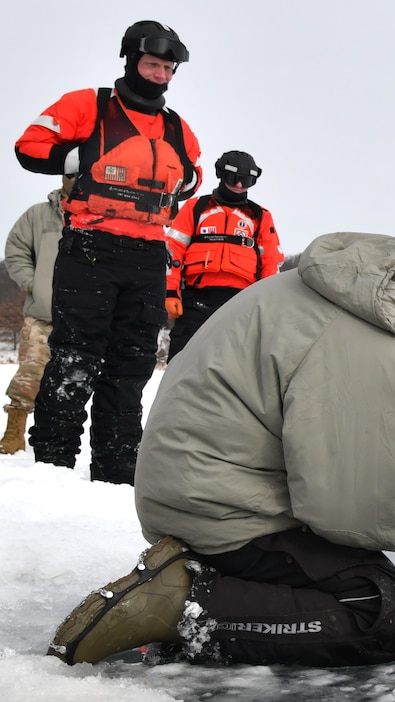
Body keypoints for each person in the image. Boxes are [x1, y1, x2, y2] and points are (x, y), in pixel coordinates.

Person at [46, 230, 395, 667]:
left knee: (365, 580)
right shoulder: (377, 345)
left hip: (203, 486)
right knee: (381, 610)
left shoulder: (350, 301)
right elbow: (353, 509)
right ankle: (183, 604)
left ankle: (192, 582)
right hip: (219, 505)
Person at [13, 21, 202, 484]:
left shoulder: (176, 126)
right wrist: (72, 159)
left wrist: (182, 181)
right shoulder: (89, 105)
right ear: (131, 60)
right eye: (153, 64)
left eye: (168, 68)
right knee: (76, 356)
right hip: (90, 250)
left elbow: (192, 174)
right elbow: (29, 146)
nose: (160, 75)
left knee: (132, 365)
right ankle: (53, 468)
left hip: (147, 257)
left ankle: (117, 471)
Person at [165, 150, 283, 360]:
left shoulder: (260, 216)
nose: (239, 185)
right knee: (182, 360)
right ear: (221, 174)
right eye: (234, 178)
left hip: (241, 303)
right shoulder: (196, 208)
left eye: (246, 180)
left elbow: (271, 263)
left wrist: (267, 305)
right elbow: (173, 250)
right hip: (196, 299)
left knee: (233, 365)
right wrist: (170, 292)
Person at [0, 175, 73, 454]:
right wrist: (34, 284)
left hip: (88, 315)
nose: (76, 180)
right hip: (43, 314)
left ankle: (59, 440)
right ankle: (13, 434)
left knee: (76, 381)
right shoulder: (37, 215)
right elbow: (15, 249)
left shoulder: (100, 216)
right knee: (30, 374)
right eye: (71, 174)